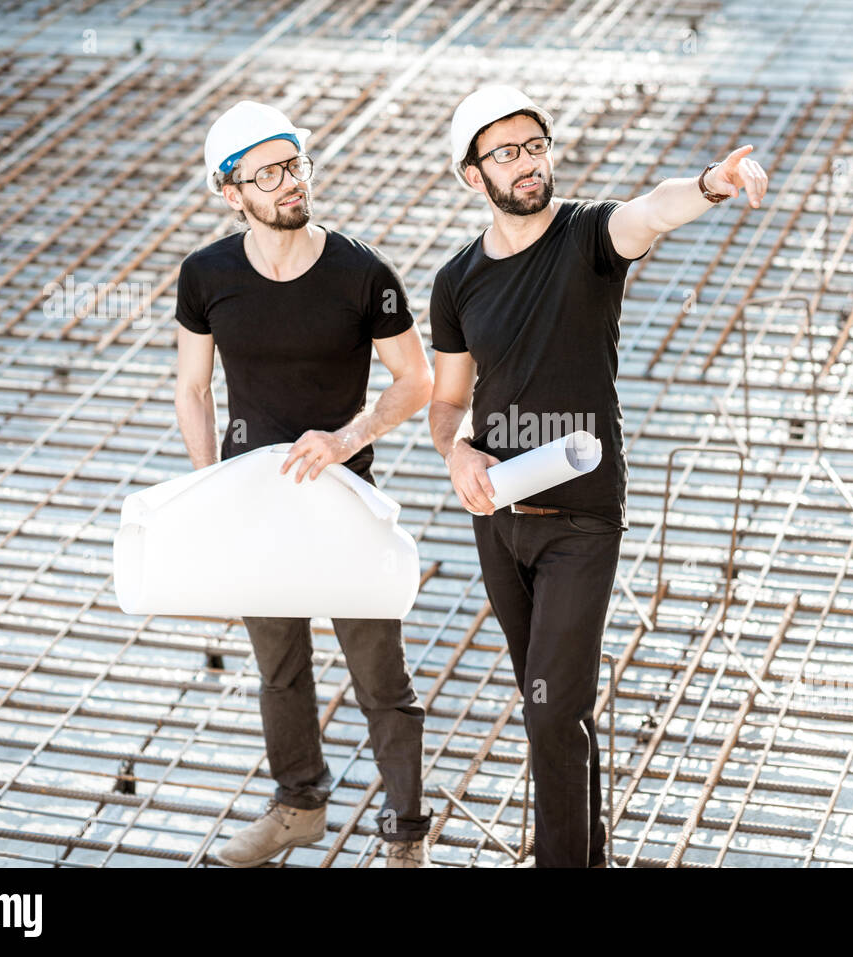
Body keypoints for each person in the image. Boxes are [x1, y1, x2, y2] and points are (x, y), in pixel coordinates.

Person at [428, 85, 768, 868]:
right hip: (500, 514)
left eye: (535, 145)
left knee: (552, 713)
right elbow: (448, 400)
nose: (527, 162)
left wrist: (713, 181)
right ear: (472, 176)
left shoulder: (587, 236)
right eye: (505, 152)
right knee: (552, 707)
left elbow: (650, 210)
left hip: (581, 517)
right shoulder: (456, 282)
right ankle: (591, 852)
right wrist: (457, 451)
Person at [174, 100, 433, 867]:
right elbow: (192, 388)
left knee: (381, 676)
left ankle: (405, 835)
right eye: (271, 172)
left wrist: (348, 436)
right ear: (231, 191)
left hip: (342, 501)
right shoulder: (206, 275)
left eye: (296, 165)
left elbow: (415, 379)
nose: (291, 182)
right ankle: (298, 806)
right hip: (255, 505)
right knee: (279, 671)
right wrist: (209, 489)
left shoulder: (362, 273)